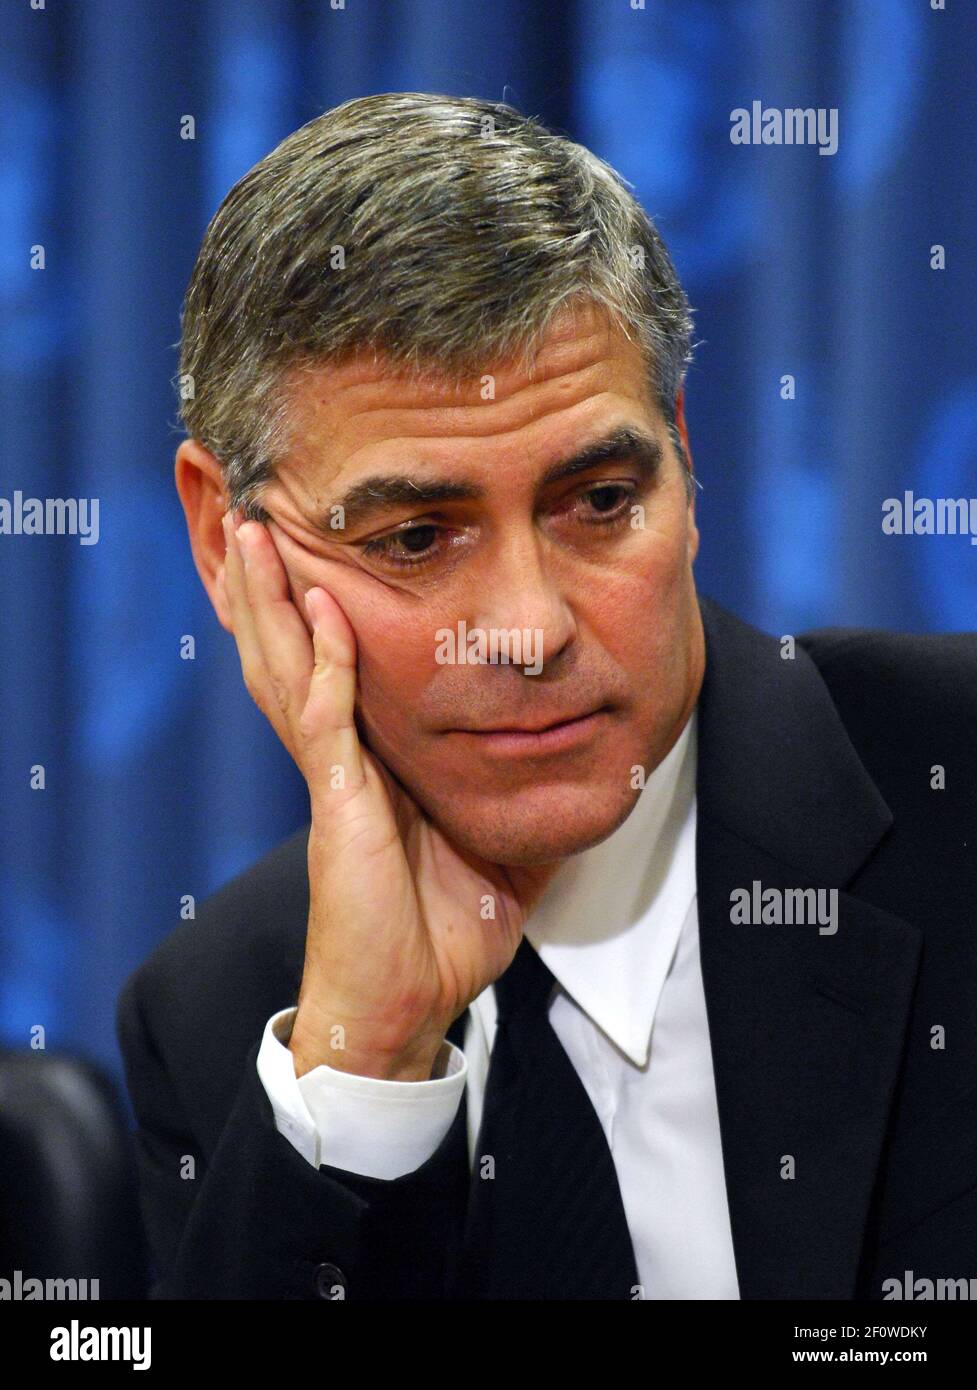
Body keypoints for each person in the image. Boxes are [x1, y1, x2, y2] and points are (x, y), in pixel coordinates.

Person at [116, 92, 977, 1301]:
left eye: (599, 502)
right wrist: (371, 1067)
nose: (529, 629)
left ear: (681, 452)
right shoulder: (231, 1019)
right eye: (416, 537)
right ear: (224, 541)